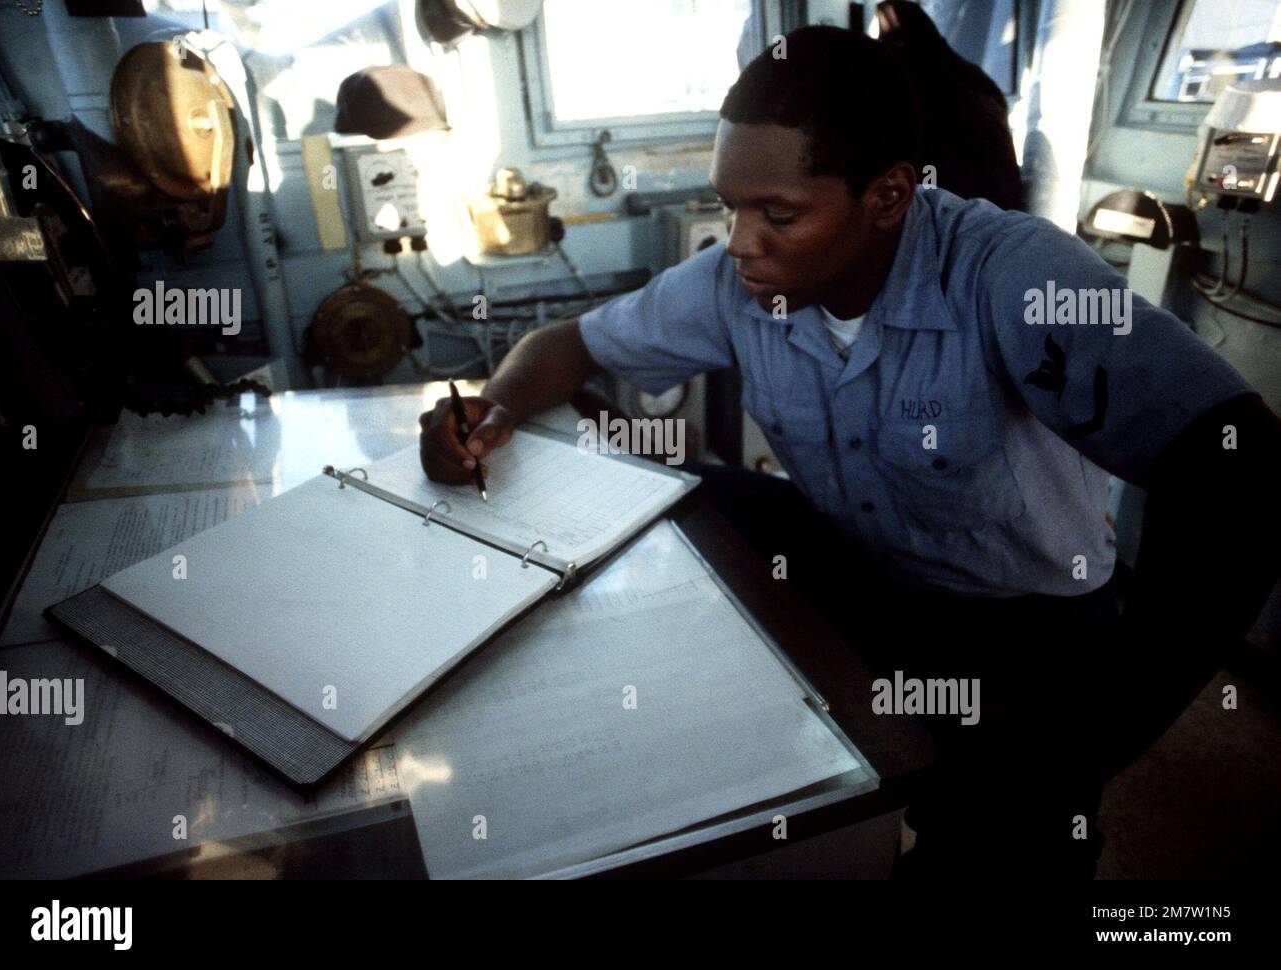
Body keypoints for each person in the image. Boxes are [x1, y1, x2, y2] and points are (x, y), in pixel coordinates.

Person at [418, 27, 1280, 879]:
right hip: (865, 563)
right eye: (730, 205)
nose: (740, 241)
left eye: (776, 213)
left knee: (1003, 843)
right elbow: (569, 345)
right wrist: (487, 412)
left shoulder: (1012, 276)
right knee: (680, 496)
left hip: (1025, 624)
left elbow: (1241, 472)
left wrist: (1101, 733)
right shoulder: (738, 280)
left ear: (889, 195)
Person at [876, 0, 1023, 210]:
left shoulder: (915, 86)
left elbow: (928, 163)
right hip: (998, 202)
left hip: (954, 200)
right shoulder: (973, 77)